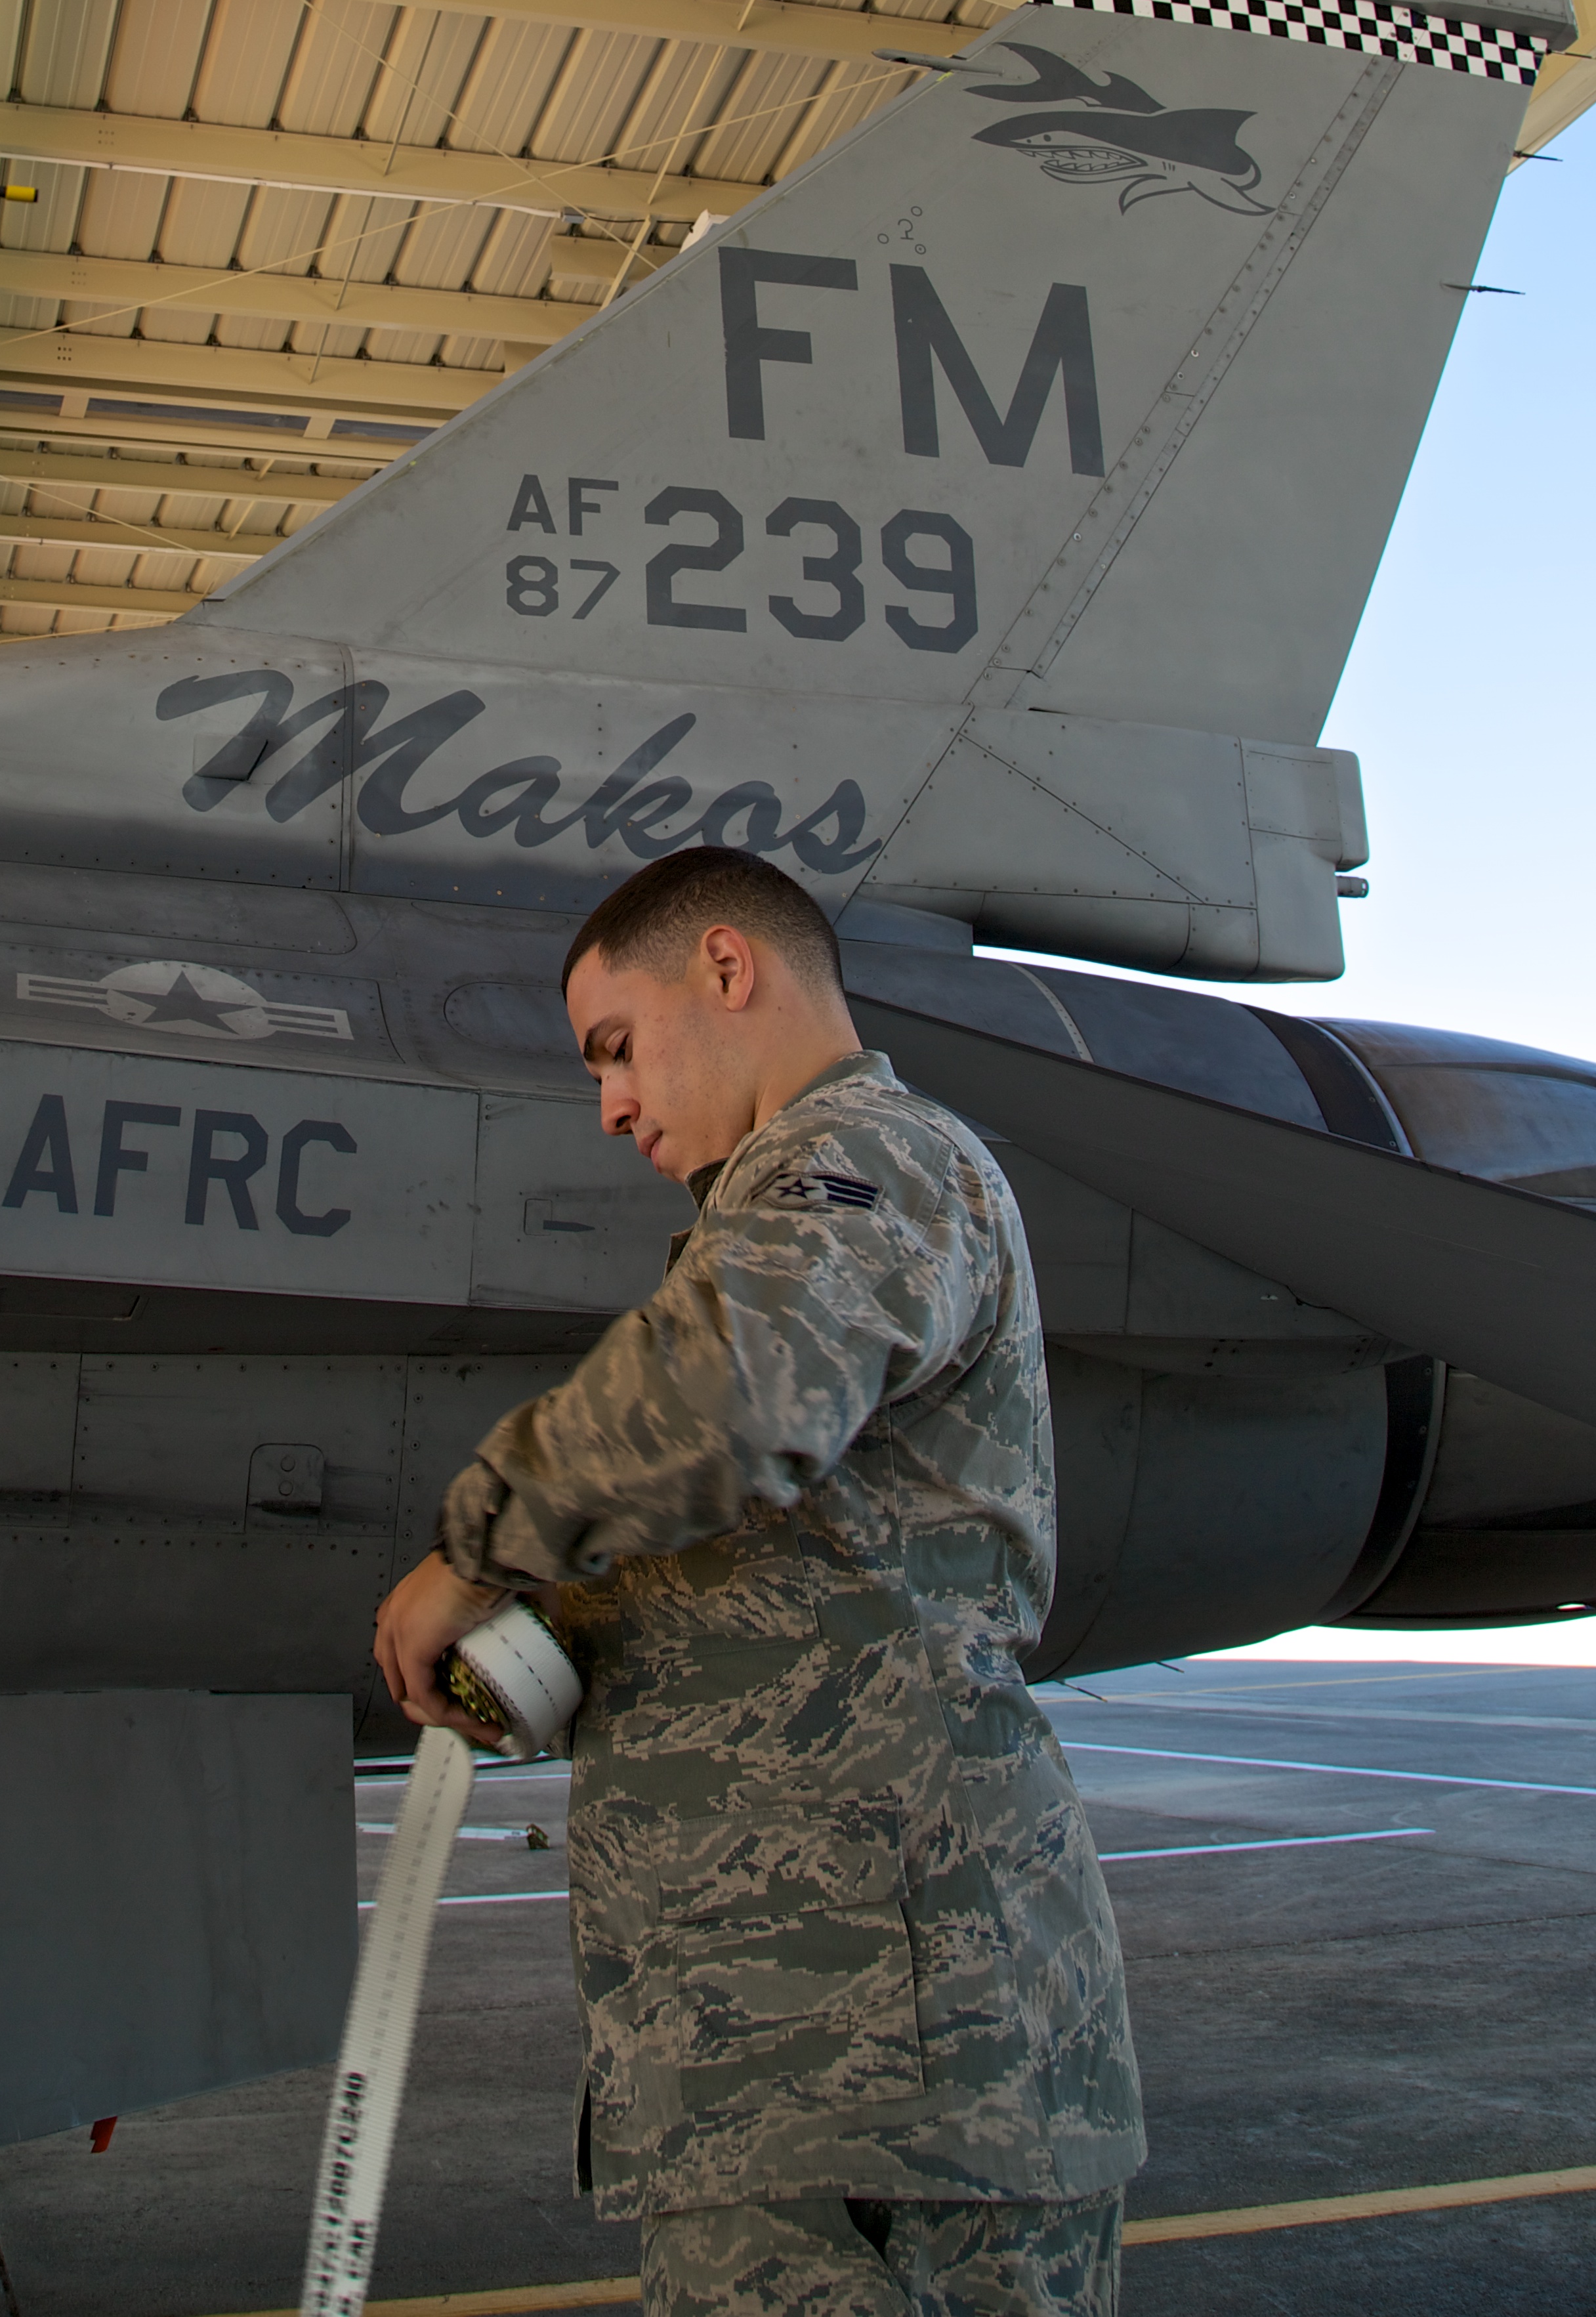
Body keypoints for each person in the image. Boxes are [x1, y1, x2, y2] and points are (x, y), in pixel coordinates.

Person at [373, 847, 1143, 2317]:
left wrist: (475, 1551)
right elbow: (798, 1566)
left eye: (618, 1046)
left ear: (727, 969)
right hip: (828, 2068)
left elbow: (733, 1394)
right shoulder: (801, 1209)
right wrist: (574, 1636)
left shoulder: (866, 1160)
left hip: (872, 2076)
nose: (609, 1104)